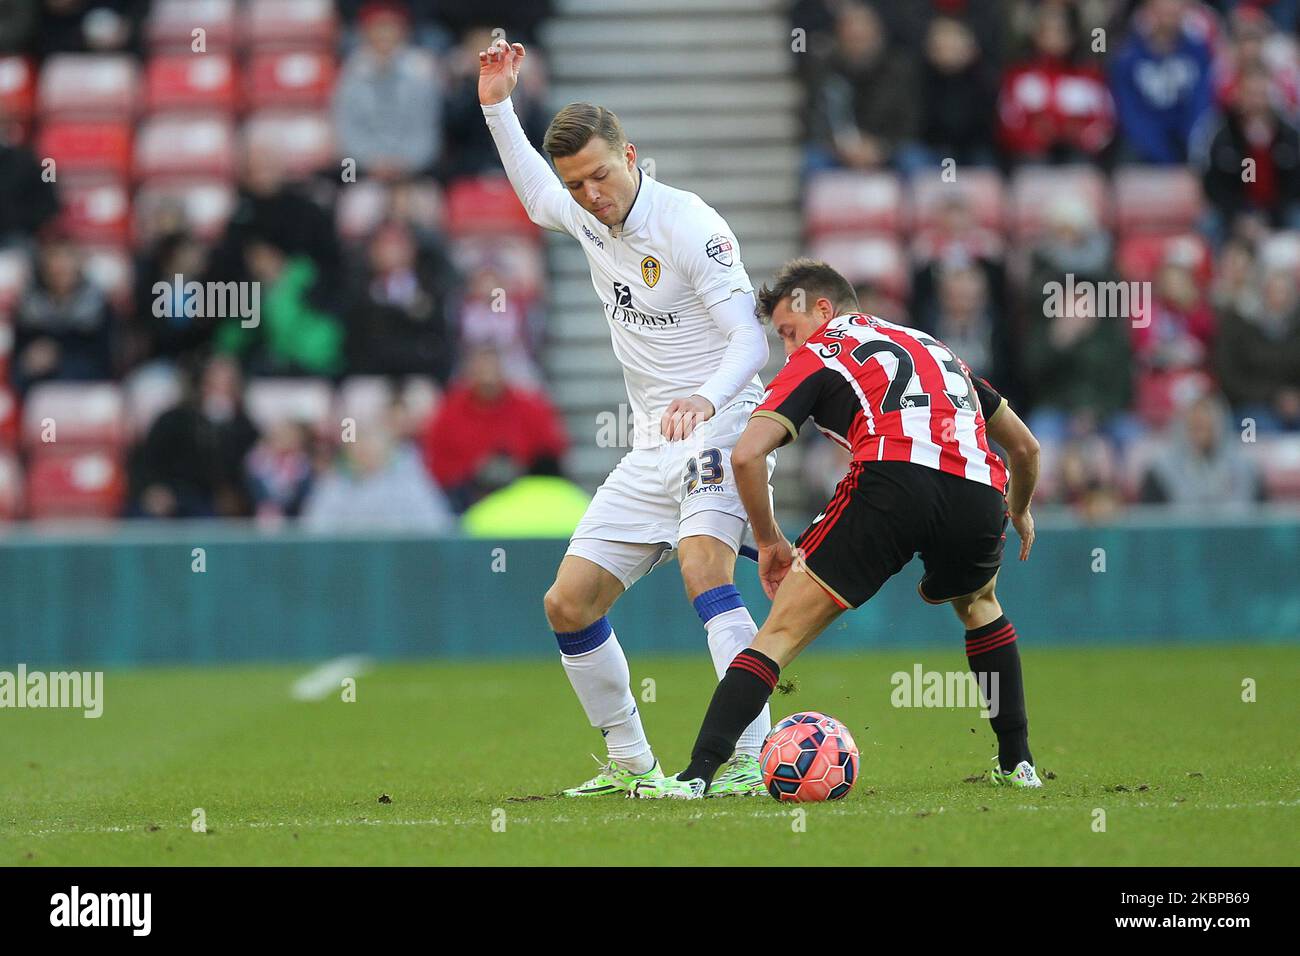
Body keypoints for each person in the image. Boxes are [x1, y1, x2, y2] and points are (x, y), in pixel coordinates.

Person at [479, 37, 776, 797]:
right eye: (577, 183)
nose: (588, 195)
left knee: (705, 571)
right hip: (653, 443)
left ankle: (751, 755)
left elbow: (749, 334)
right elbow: (534, 195)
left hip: (722, 423)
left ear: (631, 155)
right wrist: (497, 106)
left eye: (600, 176)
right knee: (567, 601)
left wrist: (706, 399)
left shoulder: (691, 226)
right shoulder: (583, 215)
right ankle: (632, 764)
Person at [633, 259, 1044, 798]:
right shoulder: (936, 349)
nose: (787, 348)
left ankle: (696, 776)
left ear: (822, 309)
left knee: (778, 634)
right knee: (980, 606)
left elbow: (747, 455)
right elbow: (1025, 446)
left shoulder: (822, 351)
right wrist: (1018, 507)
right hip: (978, 487)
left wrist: (767, 538)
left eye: (788, 331)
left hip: (892, 478)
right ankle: (1018, 764)